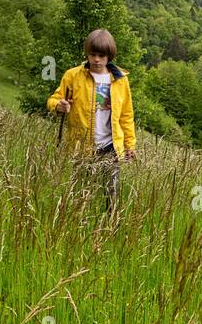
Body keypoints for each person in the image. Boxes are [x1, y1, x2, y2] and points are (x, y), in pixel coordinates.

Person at [47, 29, 136, 210]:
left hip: (110, 147)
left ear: (109, 56)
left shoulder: (120, 80)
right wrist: (59, 105)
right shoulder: (73, 76)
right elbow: (53, 100)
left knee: (111, 194)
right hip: (81, 147)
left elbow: (126, 115)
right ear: (87, 54)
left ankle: (111, 226)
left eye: (101, 55)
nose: (96, 59)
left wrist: (130, 145)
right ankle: (79, 226)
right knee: (80, 194)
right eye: (92, 54)